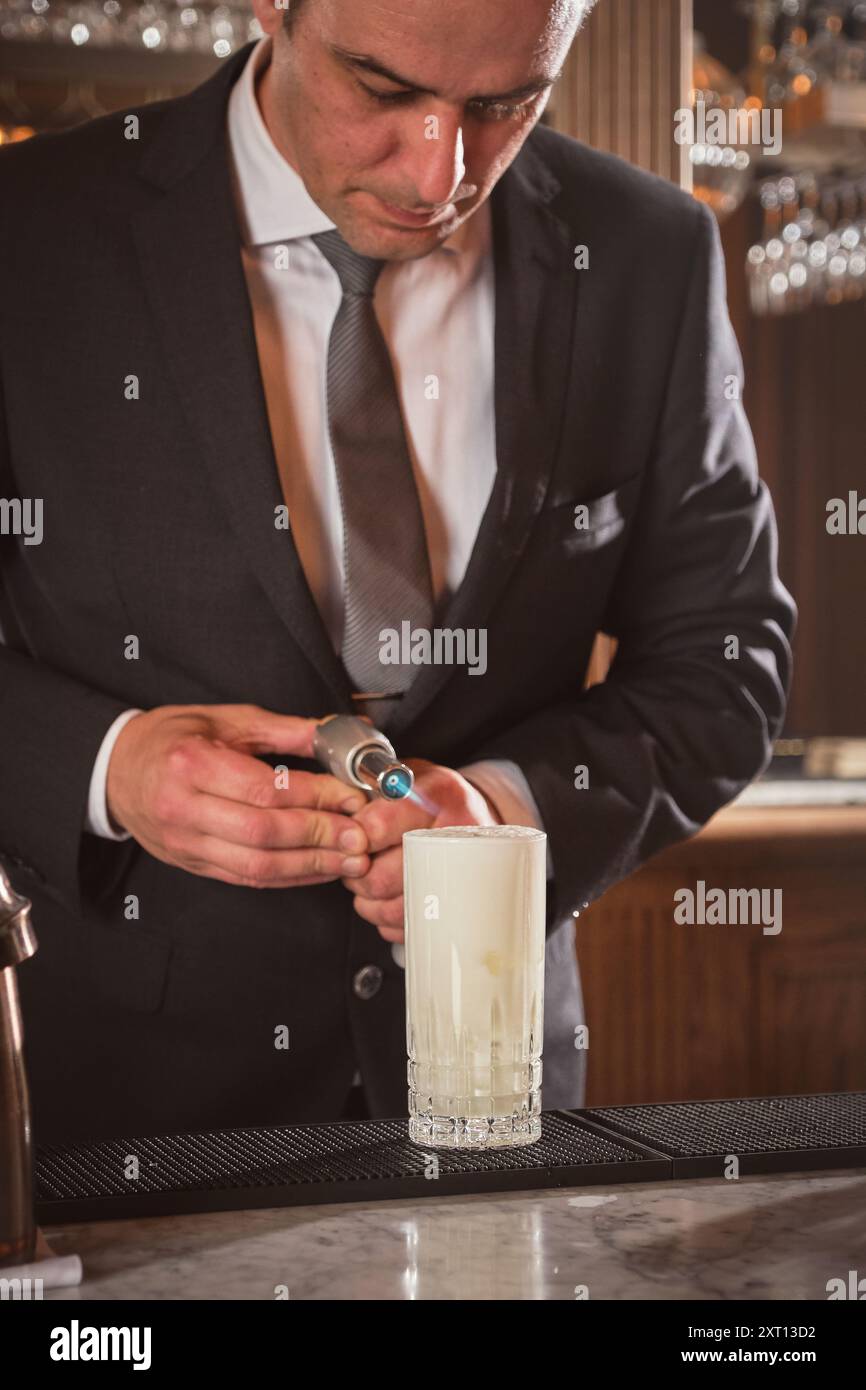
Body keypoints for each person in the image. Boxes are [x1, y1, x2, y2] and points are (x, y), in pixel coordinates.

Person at [0, 0, 796, 1143]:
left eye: (503, 105)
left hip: (492, 1094)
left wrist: (507, 807)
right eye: (380, 90)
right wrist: (111, 769)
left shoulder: (644, 255)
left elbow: (728, 663)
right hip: (126, 1124)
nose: (439, 171)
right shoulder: (28, 235)